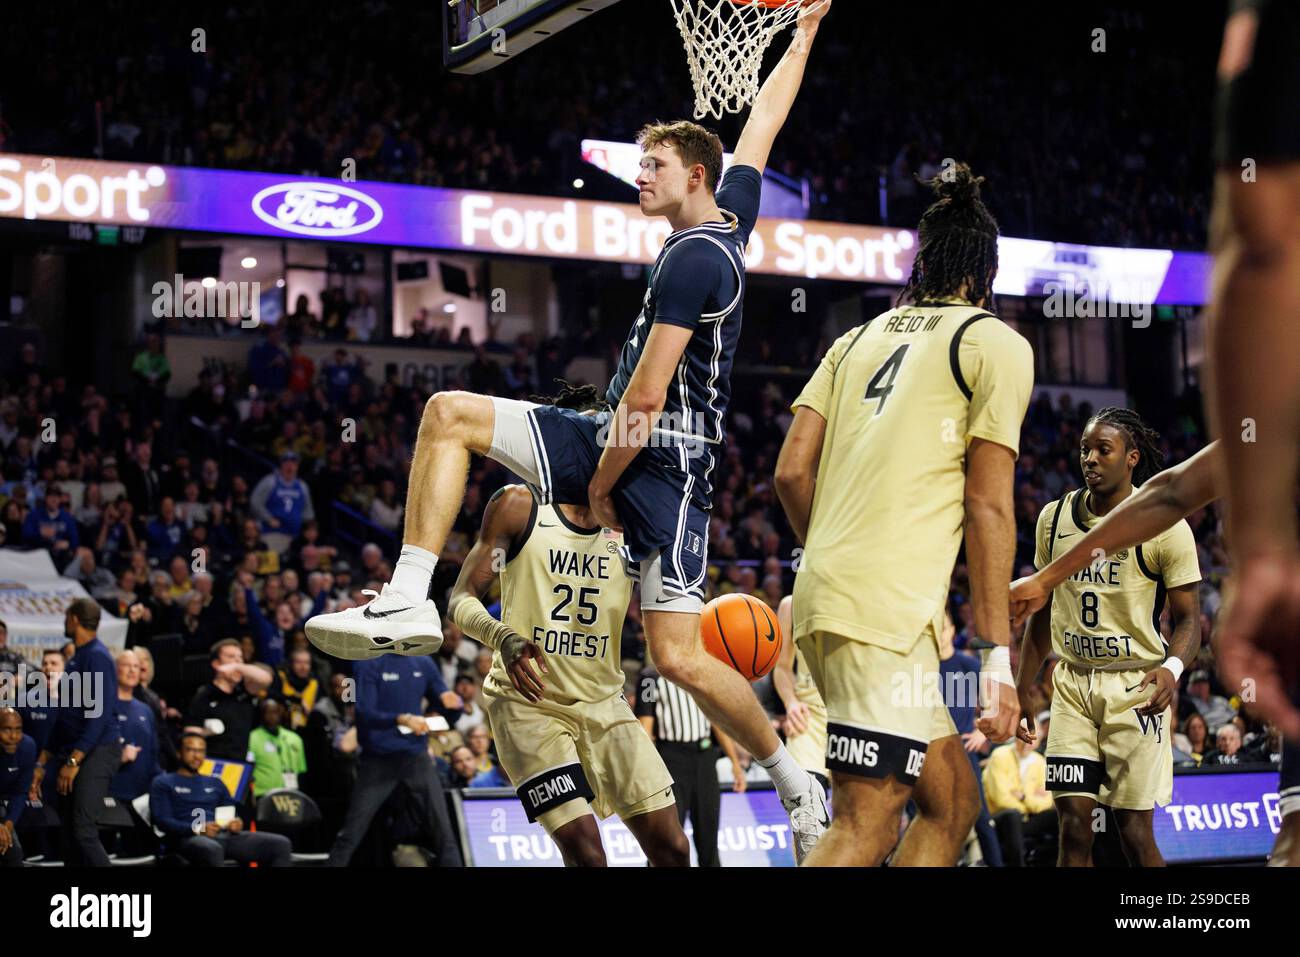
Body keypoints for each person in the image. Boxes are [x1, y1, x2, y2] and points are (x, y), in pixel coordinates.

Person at [308, 1, 834, 858]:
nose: (641, 176)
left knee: (678, 657)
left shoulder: (697, 257)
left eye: (654, 165)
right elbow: (764, 122)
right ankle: (408, 593)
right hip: (628, 441)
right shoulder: (726, 215)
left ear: (694, 174)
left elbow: (649, 397)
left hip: (659, 461)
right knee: (449, 415)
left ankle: (790, 777)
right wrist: (802, 37)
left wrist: (595, 487)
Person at [774, 163, 1033, 867]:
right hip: (880, 611)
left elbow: (791, 471)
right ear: (986, 273)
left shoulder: (852, 340)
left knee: (951, 802)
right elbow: (986, 503)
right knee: (869, 815)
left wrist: (832, 555)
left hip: (847, 595)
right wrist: (995, 657)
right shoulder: (994, 342)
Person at [447, 421, 689, 866]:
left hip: (605, 704)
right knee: (587, 854)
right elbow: (460, 598)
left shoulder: (632, 521)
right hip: (529, 704)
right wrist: (502, 636)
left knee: (673, 848)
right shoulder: (519, 506)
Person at [1016, 409, 1202, 867]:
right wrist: (1023, 683)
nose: (1091, 459)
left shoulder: (1166, 527)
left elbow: (1190, 620)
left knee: (1133, 834)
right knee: (1074, 827)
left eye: (1104, 450)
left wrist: (1171, 670)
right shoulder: (1052, 518)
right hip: (1073, 686)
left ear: (1132, 458)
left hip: (1135, 687)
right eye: (1085, 450)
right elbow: (1041, 609)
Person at [325, 653, 465, 866]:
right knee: (351, 832)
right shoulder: (367, 662)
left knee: (443, 830)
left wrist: (456, 705)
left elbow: (448, 710)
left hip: (416, 757)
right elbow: (363, 713)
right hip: (378, 761)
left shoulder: (423, 662)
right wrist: (401, 718)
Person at [31, 599, 122, 866]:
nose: (64, 621)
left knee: (83, 831)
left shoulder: (96, 656)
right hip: (78, 751)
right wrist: (42, 760)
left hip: (97, 751)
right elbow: (66, 718)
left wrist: (73, 760)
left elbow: (99, 715)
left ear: (74, 619)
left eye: (65, 616)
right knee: (69, 834)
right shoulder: (78, 658)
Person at [150, 732, 293, 866]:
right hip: (187, 839)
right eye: (191, 750)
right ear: (179, 753)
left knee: (280, 844)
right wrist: (197, 829)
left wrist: (237, 822)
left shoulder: (215, 782)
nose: (196, 756)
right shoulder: (163, 782)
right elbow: (162, 821)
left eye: (201, 751)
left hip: (224, 836)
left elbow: (231, 811)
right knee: (211, 849)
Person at [182, 639, 274, 762]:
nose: (238, 661)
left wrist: (236, 666)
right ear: (216, 664)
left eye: (240, 657)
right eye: (231, 657)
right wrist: (205, 732)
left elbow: (266, 679)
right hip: (211, 764)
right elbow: (190, 736)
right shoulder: (204, 695)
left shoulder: (244, 692)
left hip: (240, 766)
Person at [771, 595, 828, 793]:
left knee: (855, 815)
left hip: (854, 716)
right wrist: (791, 702)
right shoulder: (791, 605)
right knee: (807, 808)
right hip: (809, 719)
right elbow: (782, 667)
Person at [982, 738, 1057, 867]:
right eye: (1023, 737)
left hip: (1026, 818)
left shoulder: (1040, 762)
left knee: (1056, 815)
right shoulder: (1000, 755)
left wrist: (1023, 797)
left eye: (1032, 739)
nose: (1027, 743)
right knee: (1013, 815)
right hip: (999, 818)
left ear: (1038, 741)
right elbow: (1001, 799)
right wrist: (1032, 803)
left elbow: (1048, 801)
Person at [108, 649, 159, 802]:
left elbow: (153, 754)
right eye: (126, 665)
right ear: (115, 669)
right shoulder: (104, 706)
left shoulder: (146, 710)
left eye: (136, 666)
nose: (132, 670)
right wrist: (118, 758)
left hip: (141, 796)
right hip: (110, 791)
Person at [251, 452, 315, 553]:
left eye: (293, 463)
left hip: (296, 536)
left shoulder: (302, 486)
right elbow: (255, 502)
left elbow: (308, 512)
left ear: (297, 466)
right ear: (281, 465)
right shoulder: (270, 481)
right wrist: (268, 518)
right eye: (286, 463)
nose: (290, 466)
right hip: (273, 533)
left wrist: (310, 530)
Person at [1, 707, 37, 867]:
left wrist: (7, 825)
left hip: (3, 802)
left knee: (13, 853)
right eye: (6, 730)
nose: (13, 736)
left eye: (18, 730)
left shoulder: (28, 746)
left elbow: (20, 792)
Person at [248, 698, 307, 794]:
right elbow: (248, 771)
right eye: (268, 712)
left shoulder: (295, 739)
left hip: (291, 792)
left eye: (275, 712)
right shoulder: (252, 738)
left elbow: (301, 771)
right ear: (261, 715)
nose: (272, 717)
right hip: (263, 793)